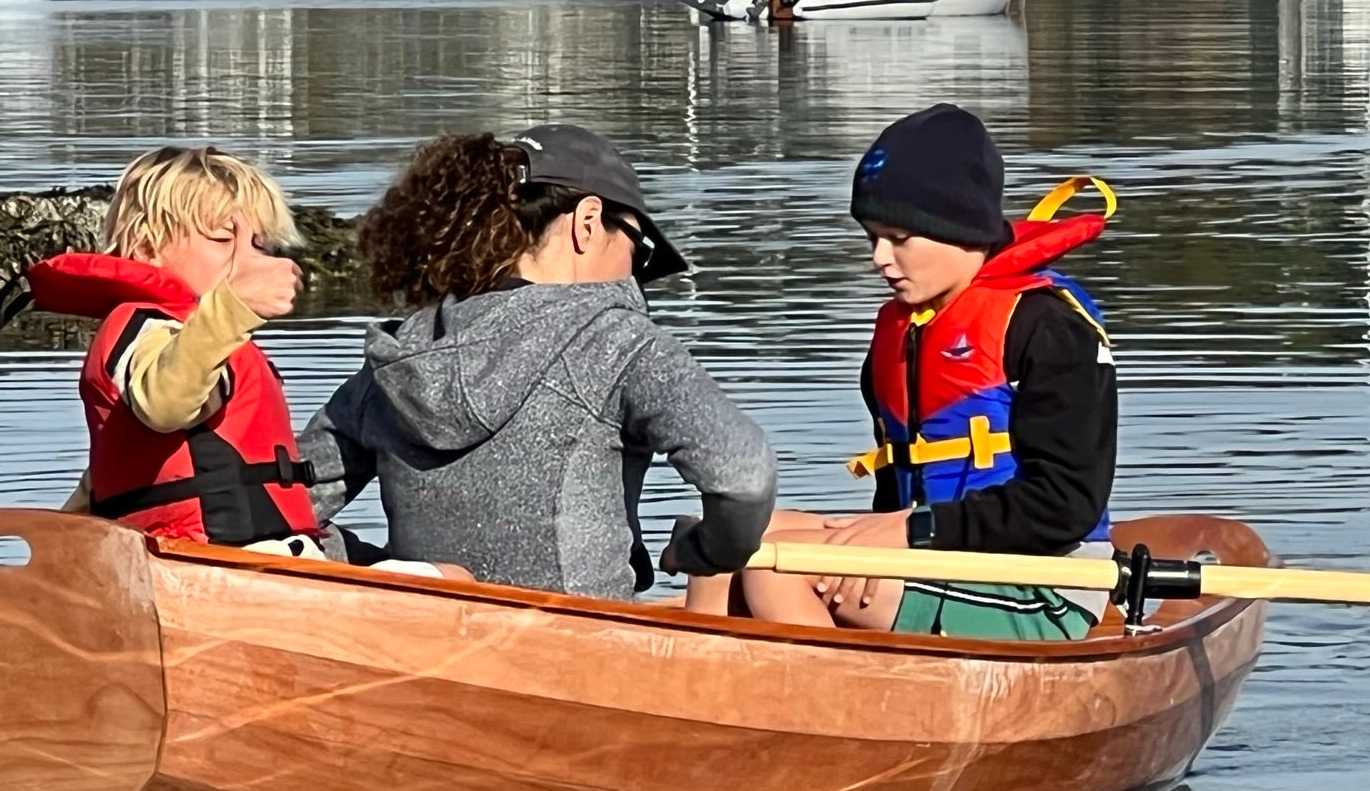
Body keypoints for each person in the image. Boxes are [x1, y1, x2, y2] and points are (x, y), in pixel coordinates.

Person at [296, 124, 777, 601]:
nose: (636, 275)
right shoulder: (619, 342)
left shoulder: (400, 356)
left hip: (425, 637)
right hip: (585, 652)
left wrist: (393, 573)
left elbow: (283, 505)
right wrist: (708, 553)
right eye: (639, 250)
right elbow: (744, 475)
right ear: (587, 222)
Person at [732, 104, 1117, 639]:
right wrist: (879, 550)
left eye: (898, 238)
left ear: (958, 228)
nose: (879, 259)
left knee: (774, 569)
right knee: (729, 539)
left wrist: (912, 533)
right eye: (872, 237)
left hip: (1044, 580)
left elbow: (1066, 507)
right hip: (934, 554)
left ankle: (840, 714)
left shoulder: (1049, 329)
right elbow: (897, 485)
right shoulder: (905, 330)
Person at [23, 145, 444, 572]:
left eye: (259, 243)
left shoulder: (194, 340)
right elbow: (166, 404)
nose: (250, 257)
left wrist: (58, 554)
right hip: (220, 566)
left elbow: (107, 483)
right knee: (444, 581)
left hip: (241, 559)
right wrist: (232, 306)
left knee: (443, 573)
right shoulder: (152, 329)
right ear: (148, 248)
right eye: (223, 238)